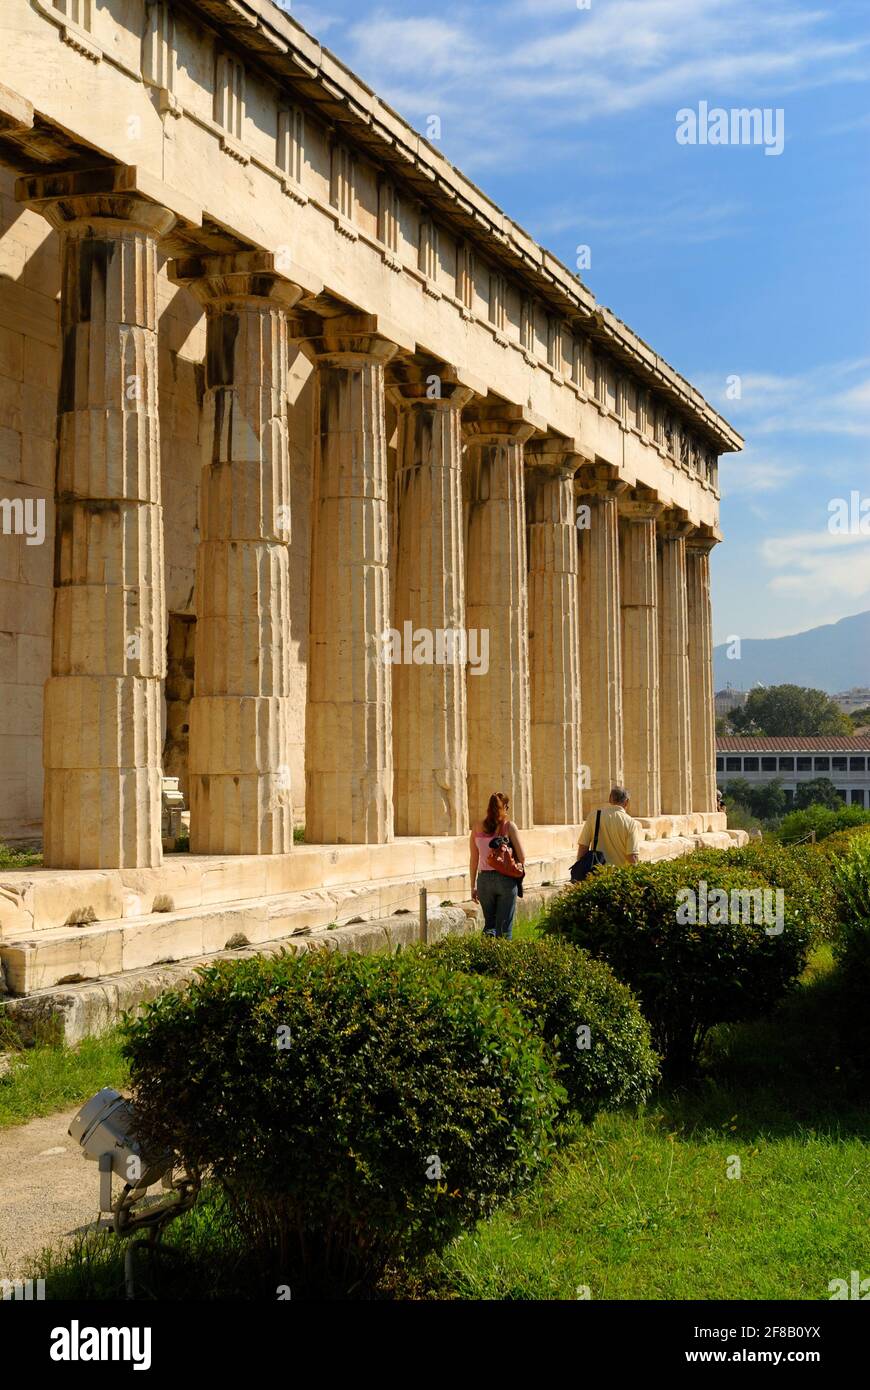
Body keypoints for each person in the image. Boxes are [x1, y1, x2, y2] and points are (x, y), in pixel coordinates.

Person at [470, 791, 525, 939]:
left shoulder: (476, 827)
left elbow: (474, 859)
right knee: (504, 929)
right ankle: (503, 960)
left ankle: (486, 958)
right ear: (505, 807)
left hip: (484, 881)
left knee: (490, 926)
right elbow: (522, 857)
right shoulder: (509, 827)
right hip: (505, 879)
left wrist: (473, 886)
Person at [576, 786, 641, 868]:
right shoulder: (630, 822)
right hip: (618, 874)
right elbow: (632, 855)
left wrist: (579, 869)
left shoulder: (594, 816)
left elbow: (583, 846)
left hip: (597, 872)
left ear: (610, 799)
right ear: (627, 802)